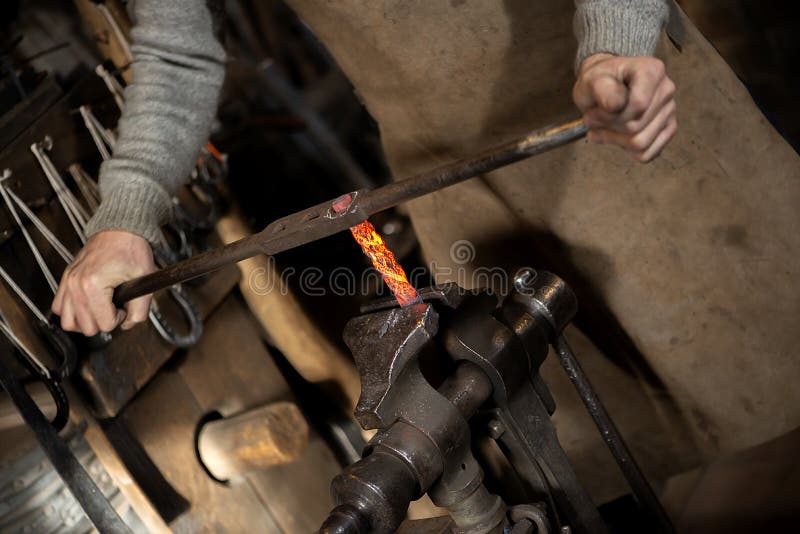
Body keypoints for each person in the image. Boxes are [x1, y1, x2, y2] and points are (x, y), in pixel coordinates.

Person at [53, 0, 800, 503]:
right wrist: (125, 220)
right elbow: (177, 58)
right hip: (455, 175)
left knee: (768, 360)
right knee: (603, 458)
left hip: (620, 108)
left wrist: (617, 36)